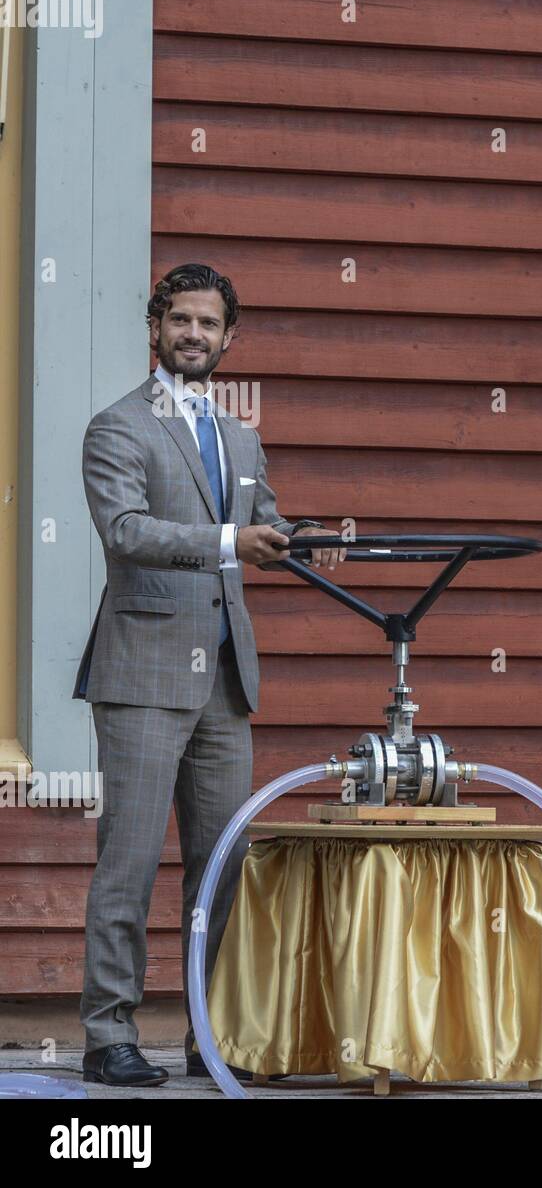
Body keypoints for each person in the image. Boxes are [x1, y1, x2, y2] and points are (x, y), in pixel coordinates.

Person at [73, 263, 345, 1086]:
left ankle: (212, 1032)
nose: (194, 334)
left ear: (231, 338)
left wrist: (311, 537)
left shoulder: (240, 438)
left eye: (208, 323)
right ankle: (106, 1034)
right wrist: (233, 542)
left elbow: (263, 525)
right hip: (145, 676)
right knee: (128, 860)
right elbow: (124, 530)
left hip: (225, 681)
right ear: (155, 328)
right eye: (179, 320)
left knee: (224, 865)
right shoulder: (117, 426)